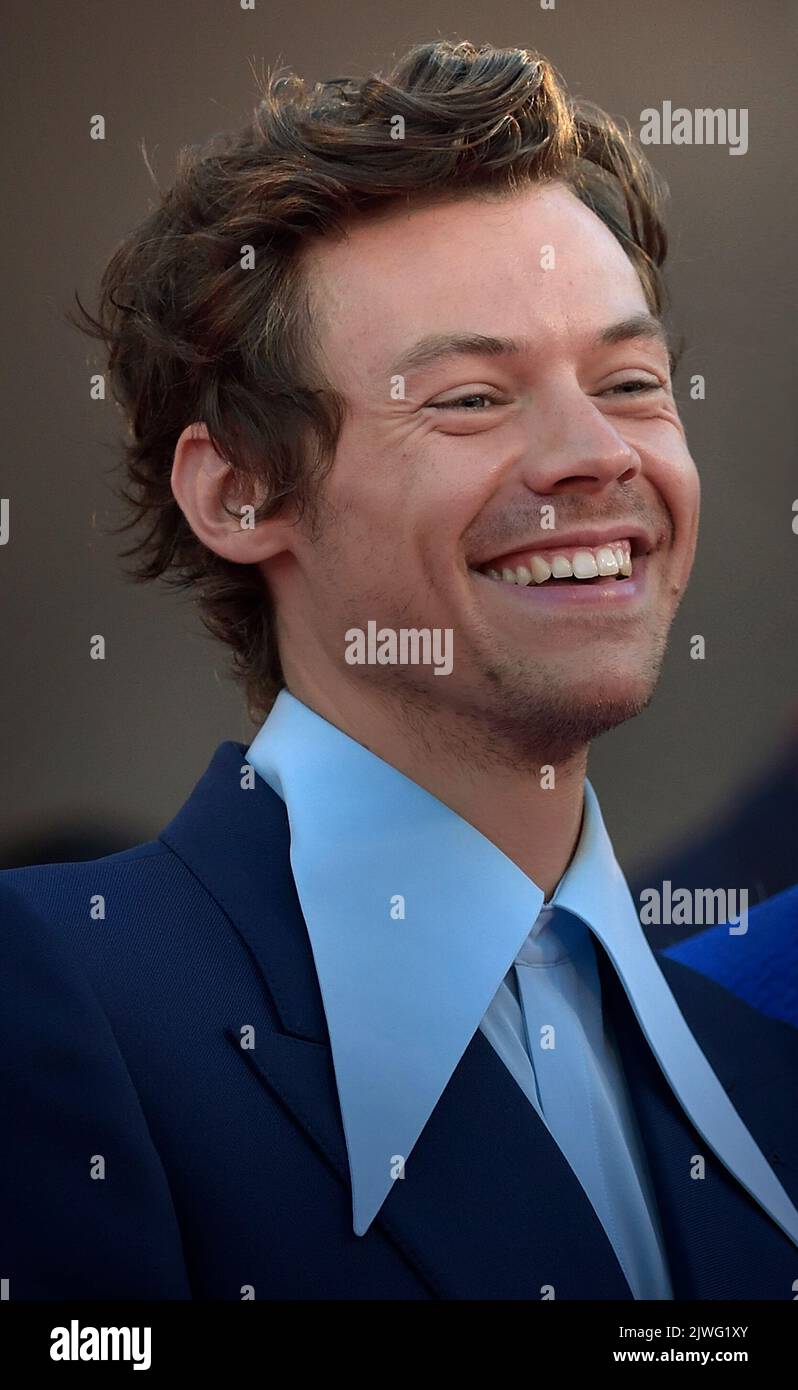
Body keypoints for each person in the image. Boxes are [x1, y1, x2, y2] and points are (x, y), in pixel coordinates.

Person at [2, 39, 797, 1301]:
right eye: (471, 399)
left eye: (633, 382)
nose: (596, 455)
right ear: (239, 490)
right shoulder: (53, 1002)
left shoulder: (769, 1064)